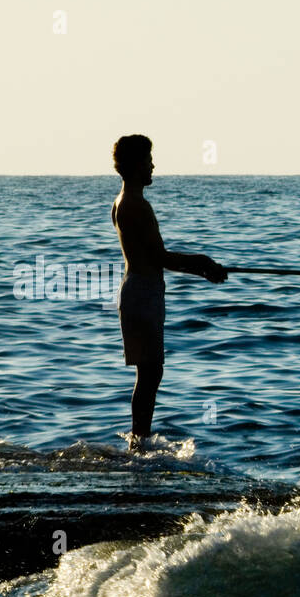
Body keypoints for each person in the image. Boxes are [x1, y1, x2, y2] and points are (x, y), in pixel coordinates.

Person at [110, 134, 226, 450]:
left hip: (137, 291)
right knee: (150, 373)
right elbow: (159, 257)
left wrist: (202, 268)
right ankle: (139, 442)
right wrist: (203, 264)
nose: (153, 165)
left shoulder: (121, 202)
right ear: (136, 165)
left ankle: (139, 440)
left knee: (149, 372)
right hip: (143, 294)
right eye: (148, 160)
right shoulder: (137, 206)